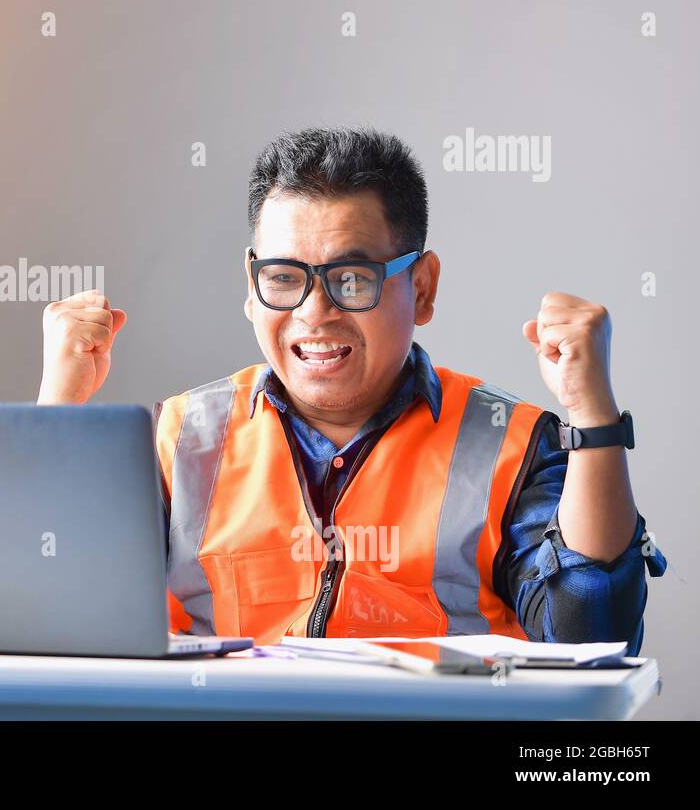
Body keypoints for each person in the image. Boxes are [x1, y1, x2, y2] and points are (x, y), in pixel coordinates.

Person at [36, 127, 666, 653]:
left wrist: (592, 419)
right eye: (284, 278)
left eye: (352, 279)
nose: (315, 312)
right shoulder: (178, 440)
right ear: (251, 285)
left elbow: (591, 632)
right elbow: (52, 603)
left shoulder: (512, 445)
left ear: (420, 287)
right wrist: (57, 413)